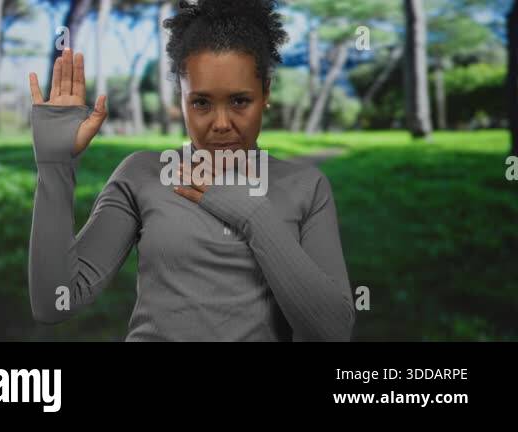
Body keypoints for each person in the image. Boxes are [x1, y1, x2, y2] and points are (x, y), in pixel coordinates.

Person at [27, 0, 355, 342]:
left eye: (240, 101)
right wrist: (54, 166)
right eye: (201, 103)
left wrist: (252, 214)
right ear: (181, 98)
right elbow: (54, 304)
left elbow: (332, 332)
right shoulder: (142, 174)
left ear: (266, 92)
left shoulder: (305, 186)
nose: (222, 124)